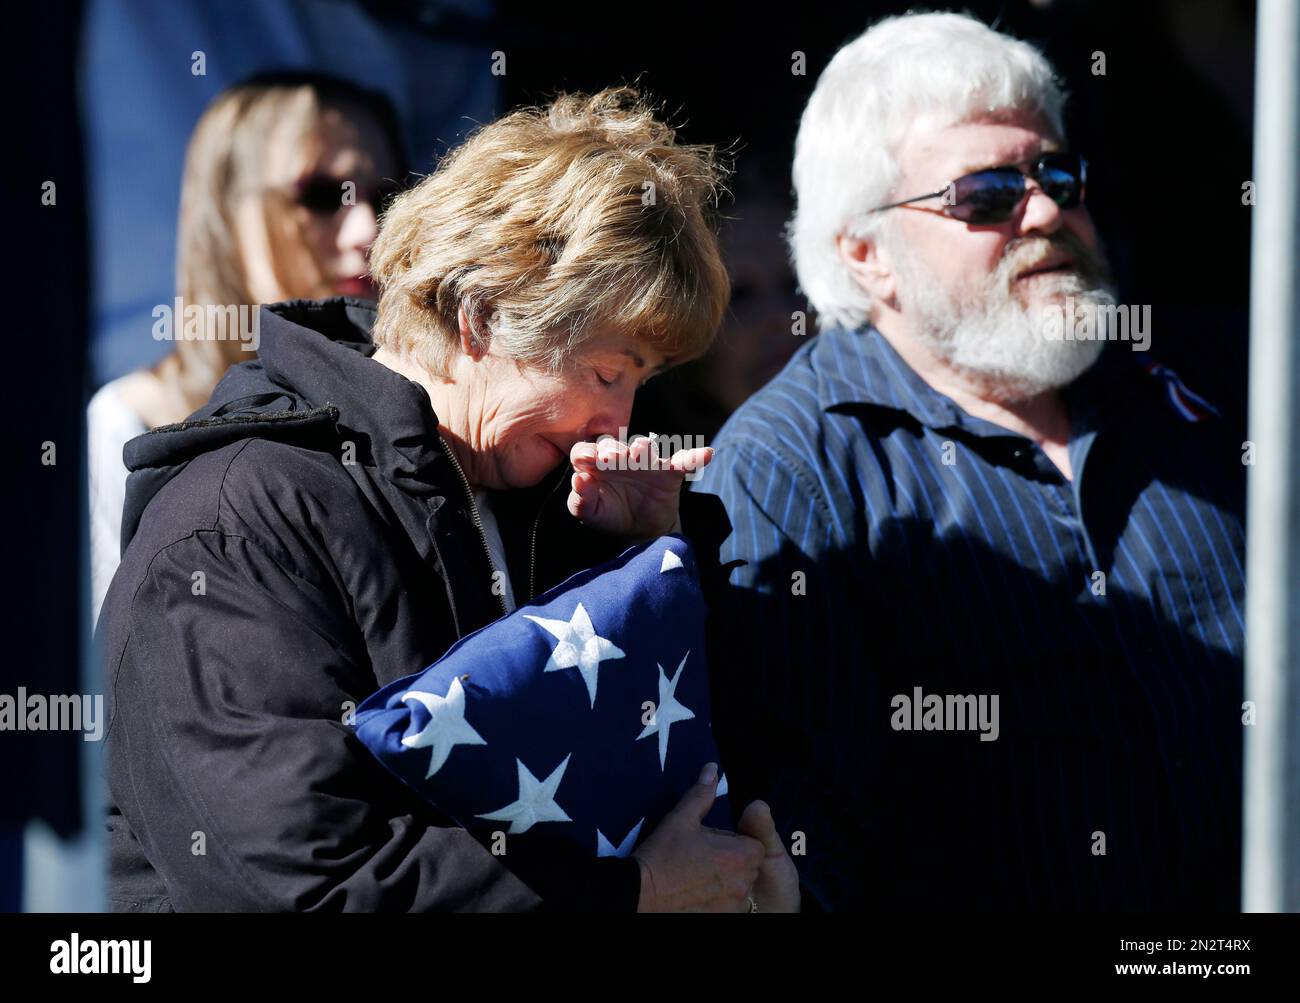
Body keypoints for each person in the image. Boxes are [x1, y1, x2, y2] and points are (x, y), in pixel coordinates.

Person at [99, 86, 799, 913]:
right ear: (481, 314)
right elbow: (308, 884)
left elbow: (710, 762)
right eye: (608, 373)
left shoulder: (542, 495)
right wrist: (629, 893)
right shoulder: (233, 525)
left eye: (640, 383)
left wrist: (651, 564)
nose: (618, 421)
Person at [695, 12, 1245, 911]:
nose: (1047, 210)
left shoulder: (1208, 380)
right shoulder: (788, 471)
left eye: (1059, 174)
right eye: (985, 193)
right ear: (868, 254)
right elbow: (802, 840)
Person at [89, 71, 405, 621]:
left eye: (389, 197)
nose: (366, 230)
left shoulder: (421, 410)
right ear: (227, 216)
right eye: (321, 195)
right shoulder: (131, 421)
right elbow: (107, 677)